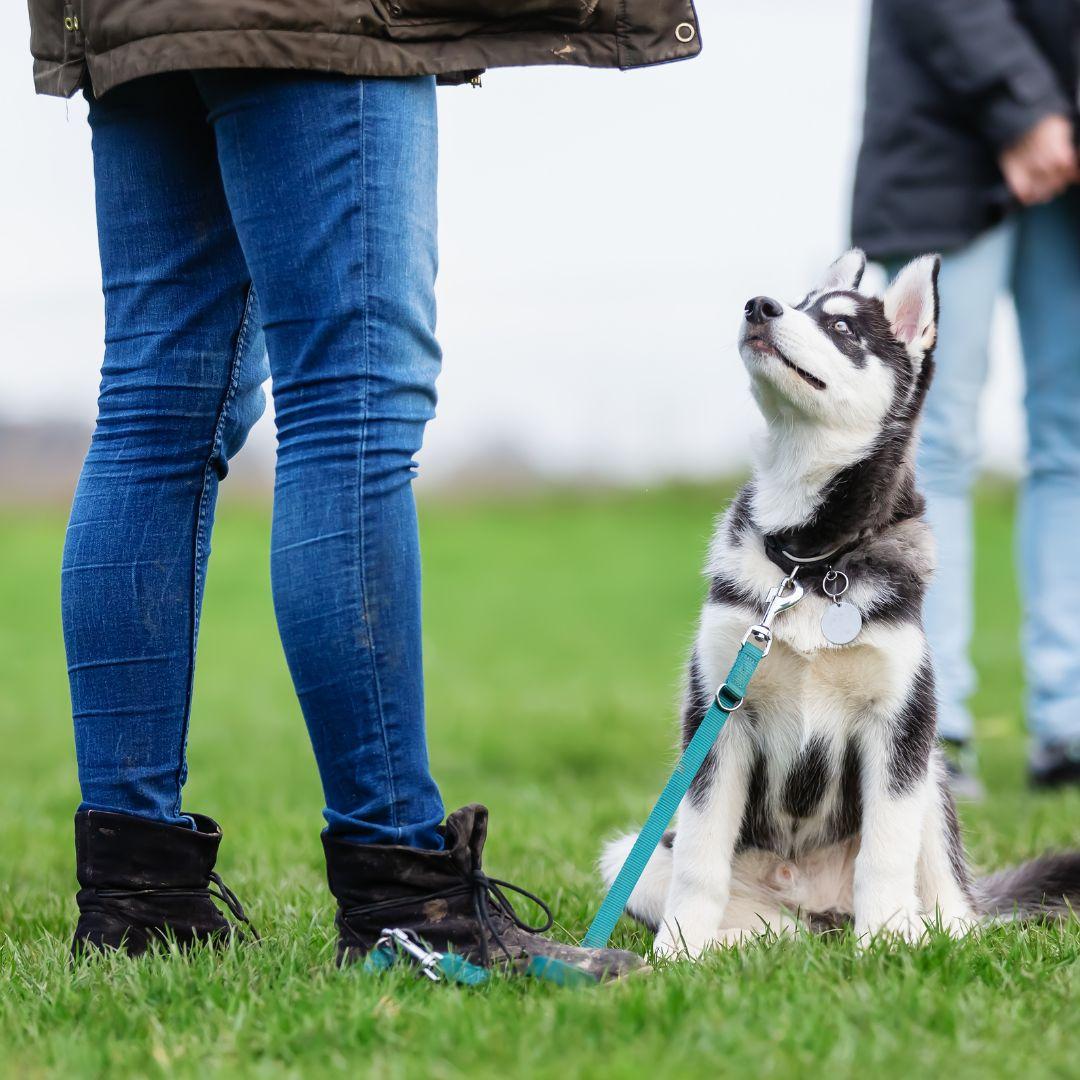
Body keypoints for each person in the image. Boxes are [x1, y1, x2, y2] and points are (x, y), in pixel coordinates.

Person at [26, 1, 701, 973]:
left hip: (130, 17)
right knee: (351, 399)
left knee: (157, 402)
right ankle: (408, 905)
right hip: (313, 17)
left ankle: (137, 899)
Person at [853, 0, 1080, 797]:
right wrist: (1024, 106)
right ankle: (930, 722)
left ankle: (1070, 723)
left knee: (1074, 440)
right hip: (943, 139)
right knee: (932, 440)